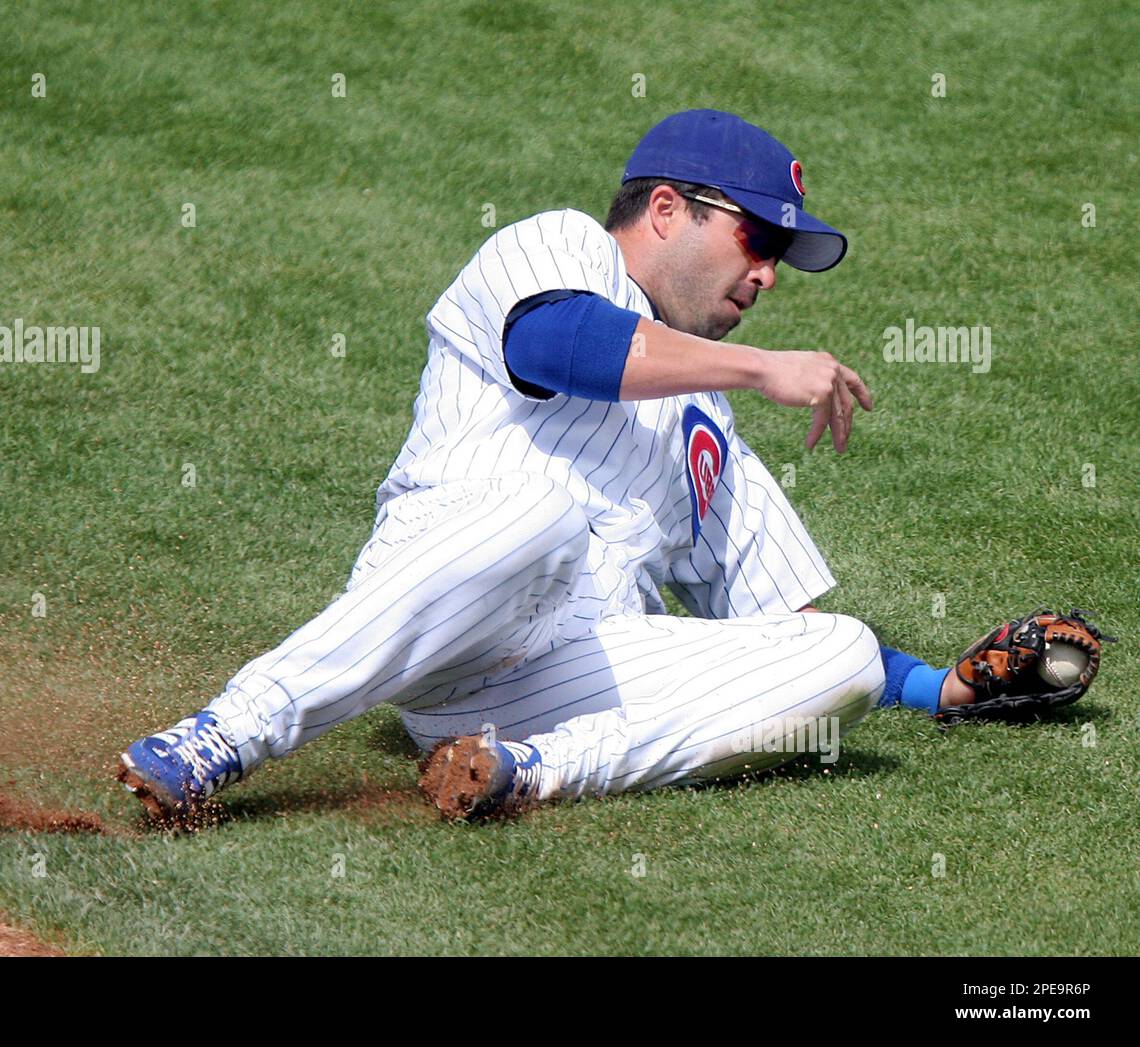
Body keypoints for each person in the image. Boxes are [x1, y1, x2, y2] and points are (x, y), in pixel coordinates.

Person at [116, 109, 979, 821]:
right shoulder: (559, 247)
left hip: (568, 678)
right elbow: (562, 342)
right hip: (452, 622)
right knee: (545, 511)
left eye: (781, 257)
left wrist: (942, 687)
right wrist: (763, 367)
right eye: (757, 237)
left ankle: (520, 770)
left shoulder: (706, 419)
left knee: (846, 654)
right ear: (670, 209)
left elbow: (775, 612)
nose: (768, 275)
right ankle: (224, 734)